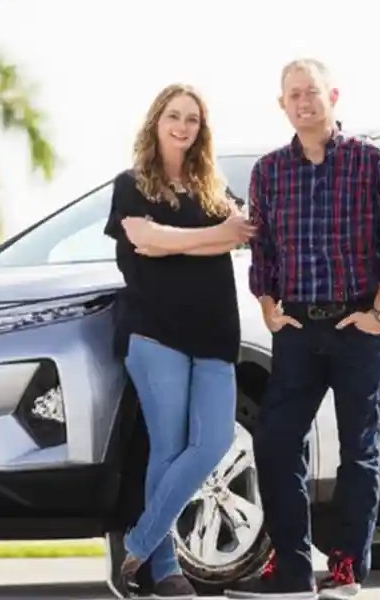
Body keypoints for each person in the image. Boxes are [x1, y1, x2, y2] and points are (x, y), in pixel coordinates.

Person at [225, 59, 380, 600]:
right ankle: (291, 570)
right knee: (277, 442)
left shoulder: (373, 162)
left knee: (358, 451)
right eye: (293, 95)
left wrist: (378, 313)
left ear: (333, 95)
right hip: (297, 331)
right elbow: (261, 250)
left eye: (312, 92)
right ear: (282, 105)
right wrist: (267, 306)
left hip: (359, 328)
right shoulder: (269, 172)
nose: (303, 102)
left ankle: (346, 571)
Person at [102, 82, 257, 599]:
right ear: (156, 121)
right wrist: (211, 239)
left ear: (201, 129)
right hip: (154, 331)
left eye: (192, 118)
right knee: (166, 449)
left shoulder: (215, 188)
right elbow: (144, 240)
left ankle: (139, 543)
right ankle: (165, 570)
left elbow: (241, 232)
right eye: (174, 115)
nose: (183, 126)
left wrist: (177, 243)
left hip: (214, 332)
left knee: (212, 440)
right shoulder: (131, 185)